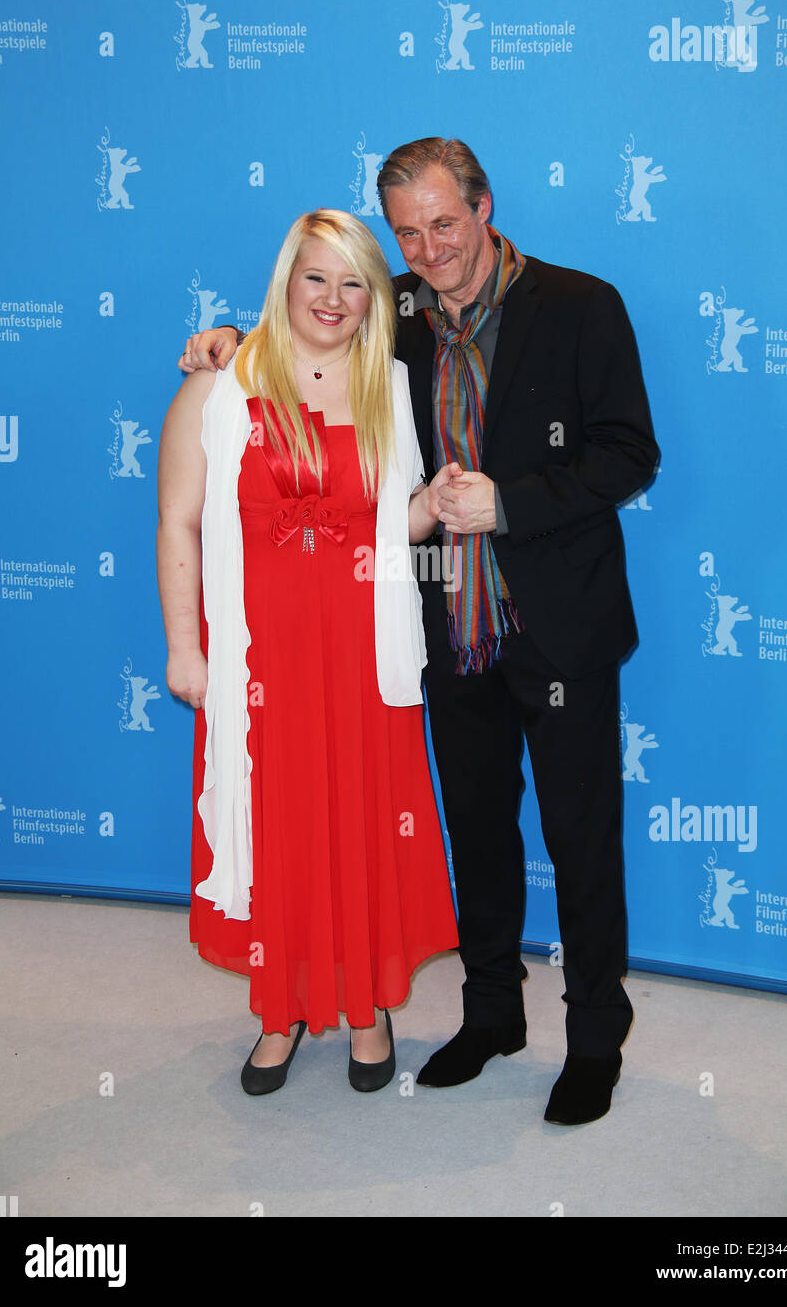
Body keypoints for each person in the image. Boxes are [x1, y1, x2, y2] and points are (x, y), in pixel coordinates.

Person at [179, 139, 659, 1124]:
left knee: (580, 841)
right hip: (443, 626)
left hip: (555, 625)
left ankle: (592, 1043)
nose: (428, 247)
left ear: (486, 207)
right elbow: (300, 333)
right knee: (475, 833)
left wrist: (511, 502)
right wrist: (227, 336)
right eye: (407, 231)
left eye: (444, 223)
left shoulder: (579, 305)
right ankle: (489, 1019)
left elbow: (626, 453)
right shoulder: (387, 309)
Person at [158, 207, 459, 1096]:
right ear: (286, 279)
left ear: (376, 298)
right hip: (261, 659)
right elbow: (178, 522)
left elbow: (387, 528)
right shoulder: (221, 384)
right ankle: (279, 1008)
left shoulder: (388, 387)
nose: (332, 298)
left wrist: (432, 504)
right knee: (277, 825)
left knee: (362, 821)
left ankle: (367, 1006)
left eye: (354, 282)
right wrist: (185, 648)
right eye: (315, 277)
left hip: (363, 656)